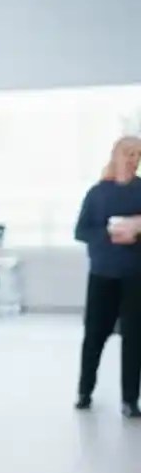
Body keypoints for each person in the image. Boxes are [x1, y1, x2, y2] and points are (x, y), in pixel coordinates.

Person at [73, 136, 141, 417]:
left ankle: (129, 400)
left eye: (137, 155)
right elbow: (81, 231)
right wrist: (109, 234)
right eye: (128, 153)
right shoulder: (97, 193)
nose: (133, 159)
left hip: (135, 277)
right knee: (94, 335)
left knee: (135, 338)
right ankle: (85, 392)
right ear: (115, 156)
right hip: (102, 275)